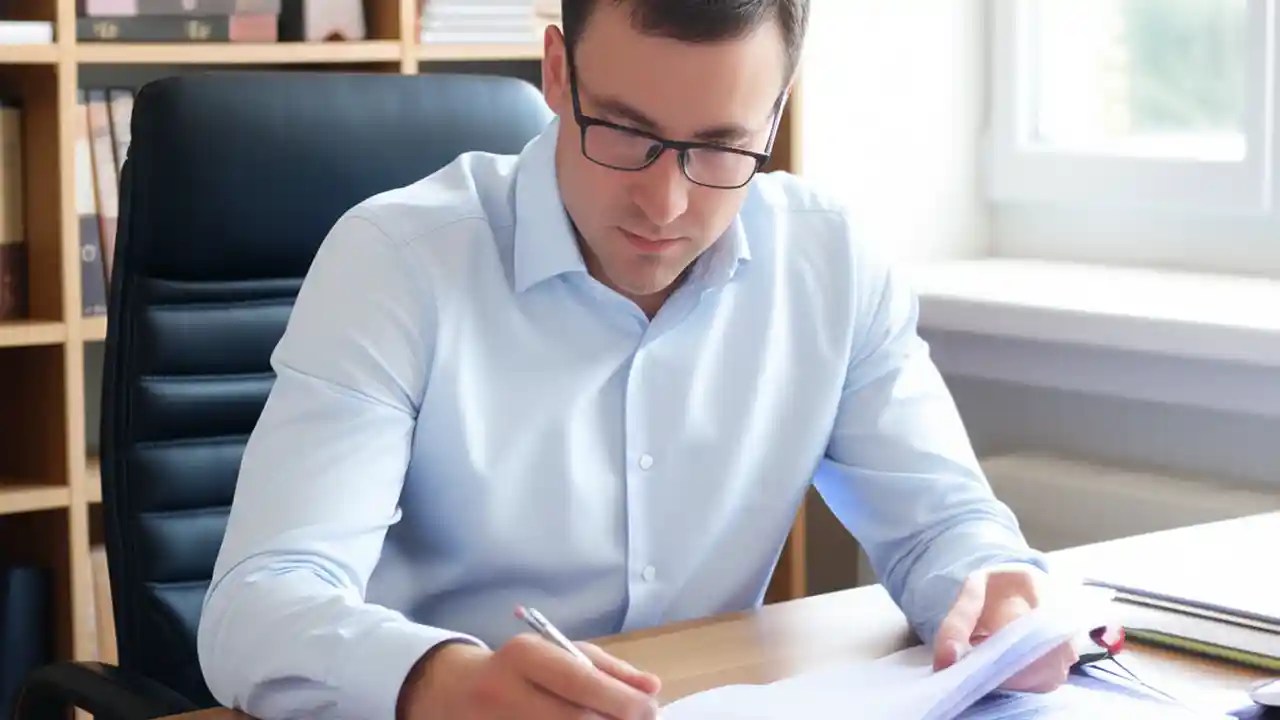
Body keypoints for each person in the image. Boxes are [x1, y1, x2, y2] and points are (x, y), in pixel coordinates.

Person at [197, 1, 1079, 718]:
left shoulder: (829, 262)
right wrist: (442, 682)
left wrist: (986, 588)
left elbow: (940, 526)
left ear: (776, 111)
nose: (665, 202)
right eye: (622, 131)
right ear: (554, 72)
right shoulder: (398, 260)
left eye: (720, 146)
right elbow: (258, 607)